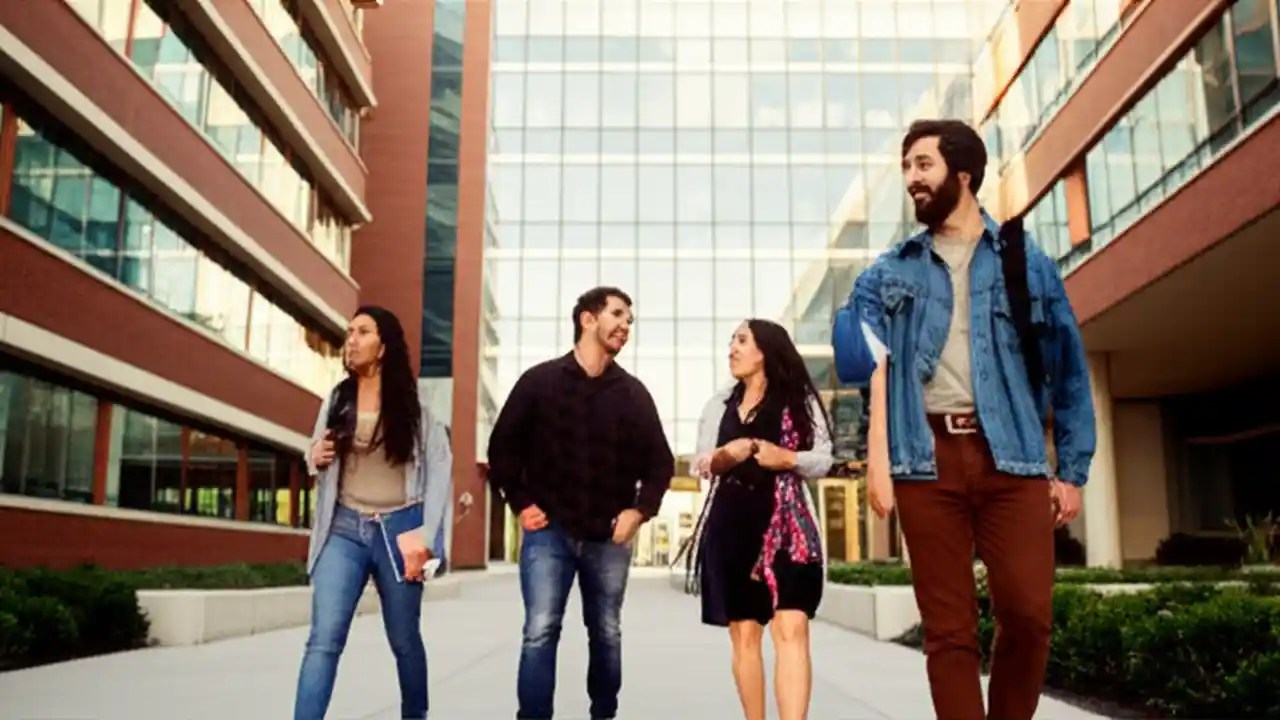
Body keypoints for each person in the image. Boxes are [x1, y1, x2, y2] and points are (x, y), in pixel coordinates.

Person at [832, 119, 1096, 720]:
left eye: (923, 165)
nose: (911, 179)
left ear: (964, 174)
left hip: (1014, 457)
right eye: (906, 167)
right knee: (948, 631)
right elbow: (857, 363)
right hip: (926, 461)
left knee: (1028, 616)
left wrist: (1072, 470)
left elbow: (1069, 371)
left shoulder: (1026, 264)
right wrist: (877, 457)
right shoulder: (891, 270)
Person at [486, 286, 675, 720]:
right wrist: (520, 502)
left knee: (606, 633)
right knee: (540, 630)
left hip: (608, 537)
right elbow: (502, 450)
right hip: (548, 533)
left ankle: (603, 714)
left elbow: (660, 463)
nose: (626, 326)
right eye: (618, 315)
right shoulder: (539, 382)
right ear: (588, 319)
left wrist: (639, 511)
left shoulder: (632, 394)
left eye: (629, 320)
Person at [294, 306, 453, 720]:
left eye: (363, 332)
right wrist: (314, 454)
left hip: (400, 532)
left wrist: (428, 537)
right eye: (349, 332)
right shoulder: (337, 398)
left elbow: (440, 466)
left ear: (383, 346)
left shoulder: (415, 405)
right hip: (343, 528)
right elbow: (314, 451)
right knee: (323, 640)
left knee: (404, 640)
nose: (352, 339)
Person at [684, 319, 832, 720]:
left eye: (741, 340)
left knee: (791, 626)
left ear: (765, 350)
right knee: (745, 633)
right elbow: (700, 464)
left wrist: (787, 458)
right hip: (732, 524)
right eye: (731, 341)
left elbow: (823, 458)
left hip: (789, 525)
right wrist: (726, 455)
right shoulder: (719, 405)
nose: (732, 348)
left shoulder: (800, 401)